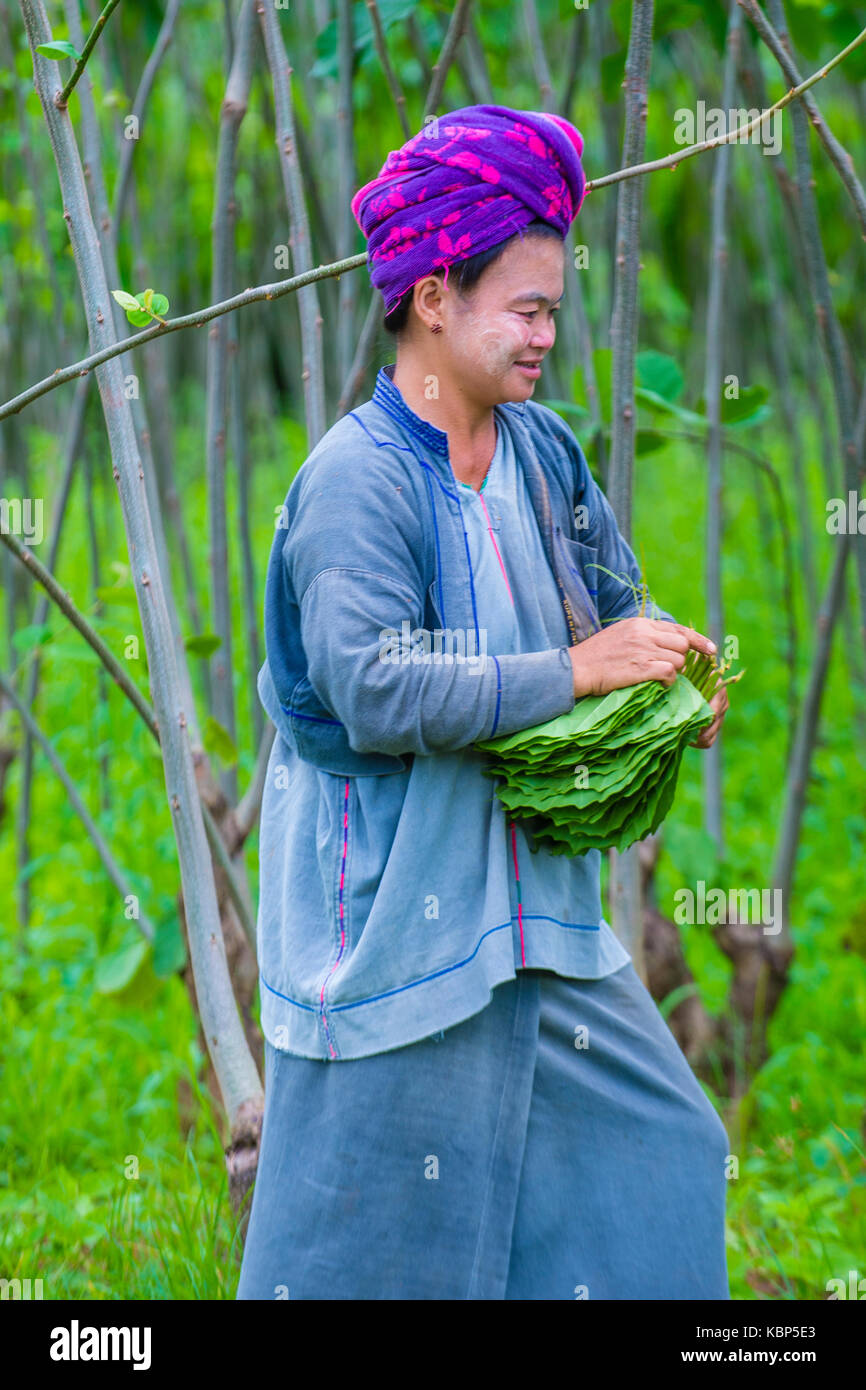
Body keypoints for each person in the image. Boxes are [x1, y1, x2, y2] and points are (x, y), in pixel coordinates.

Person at [237, 105, 731, 1301]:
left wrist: (665, 676)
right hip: (392, 907)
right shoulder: (354, 482)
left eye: (553, 309)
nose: (545, 336)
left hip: (532, 911)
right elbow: (371, 688)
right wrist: (578, 672)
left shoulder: (541, 448)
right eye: (525, 307)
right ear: (432, 295)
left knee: (663, 1148)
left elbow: (612, 604)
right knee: (378, 1238)